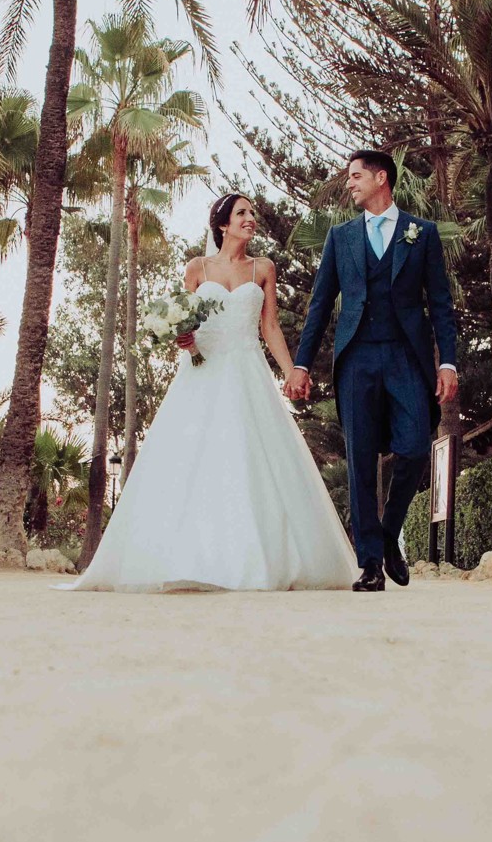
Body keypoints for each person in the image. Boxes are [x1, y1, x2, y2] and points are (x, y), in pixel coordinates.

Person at [66, 194, 359, 592]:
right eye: (242, 213)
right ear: (222, 224)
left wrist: (292, 373)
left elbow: (270, 327)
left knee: (248, 458)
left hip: (247, 370)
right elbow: (181, 321)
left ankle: (253, 560)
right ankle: (184, 558)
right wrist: (182, 339)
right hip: (202, 371)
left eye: (252, 213)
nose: (250, 219)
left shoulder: (264, 268)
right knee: (189, 460)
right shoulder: (196, 268)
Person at [287, 150, 458, 592]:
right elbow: (321, 303)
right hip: (357, 357)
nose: (350, 184)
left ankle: (386, 534)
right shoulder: (340, 237)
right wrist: (302, 362)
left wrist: (447, 361)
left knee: (416, 447)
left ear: (382, 178)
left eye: (356, 176)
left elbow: (440, 302)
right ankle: (369, 565)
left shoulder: (422, 233)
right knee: (361, 458)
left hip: (406, 356)